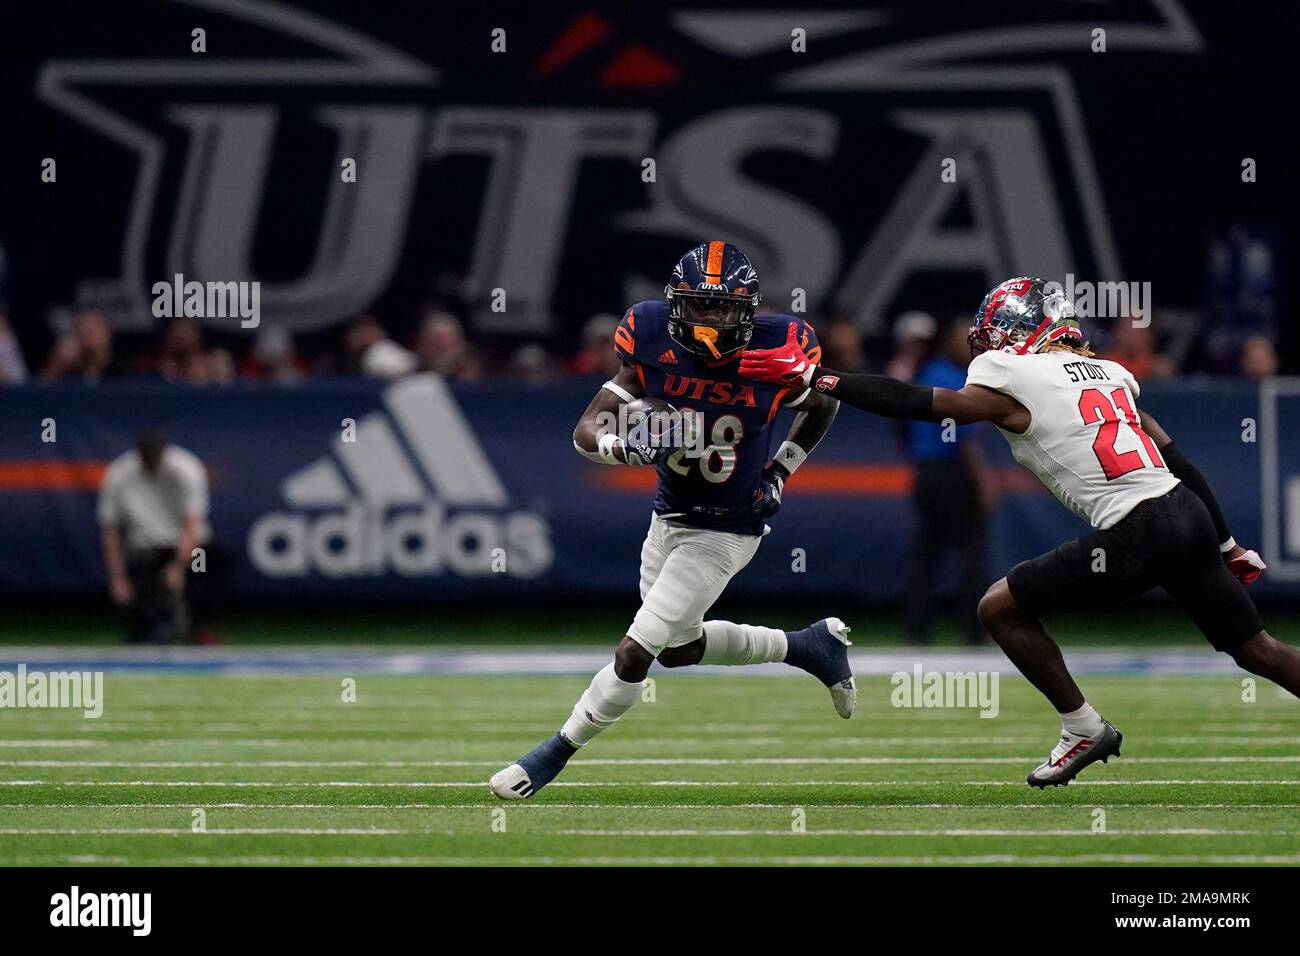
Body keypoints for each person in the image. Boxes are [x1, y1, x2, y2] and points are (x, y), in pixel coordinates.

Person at [740, 276, 1299, 787]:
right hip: (1186, 513)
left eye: (993, 335)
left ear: (1014, 332)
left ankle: (1083, 727)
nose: (985, 348)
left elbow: (930, 405)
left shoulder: (1013, 375)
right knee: (1258, 649)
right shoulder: (1110, 374)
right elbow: (1176, 459)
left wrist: (822, 378)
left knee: (999, 608)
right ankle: (1084, 727)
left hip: (1140, 528)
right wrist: (1227, 543)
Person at [490, 242, 850, 801]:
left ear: (747, 311)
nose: (710, 322)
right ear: (675, 305)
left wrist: (780, 471)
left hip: (728, 528)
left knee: (636, 651)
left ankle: (554, 752)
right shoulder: (650, 338)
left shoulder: (778, 351)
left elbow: (824, 403)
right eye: (699, 307)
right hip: (669, 517)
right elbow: (587, 428)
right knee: (679, 648)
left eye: (723, 309)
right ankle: (808, 647)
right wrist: (622, 450)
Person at [904, 318, 992, 645]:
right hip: (952, 474)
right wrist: (983, 482)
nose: (971, 345)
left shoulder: (926, 373)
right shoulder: (954, 378)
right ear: (946, 341)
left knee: (926, 555)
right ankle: (974, 629)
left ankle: (917, 630)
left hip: (926, 473)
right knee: (972, 554)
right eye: (963, 338)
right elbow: (964, 441)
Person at [98, 430, 213, 644]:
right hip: (146, 549)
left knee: (206, 565)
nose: (151, 465)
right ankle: (148, 628)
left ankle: (200, 628)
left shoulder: (186, 469)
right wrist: (118, 579)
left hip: (191, 549)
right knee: (141, 598)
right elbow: (110, 530)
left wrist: (179, 567)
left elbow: (193, 525)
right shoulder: (119, 474)